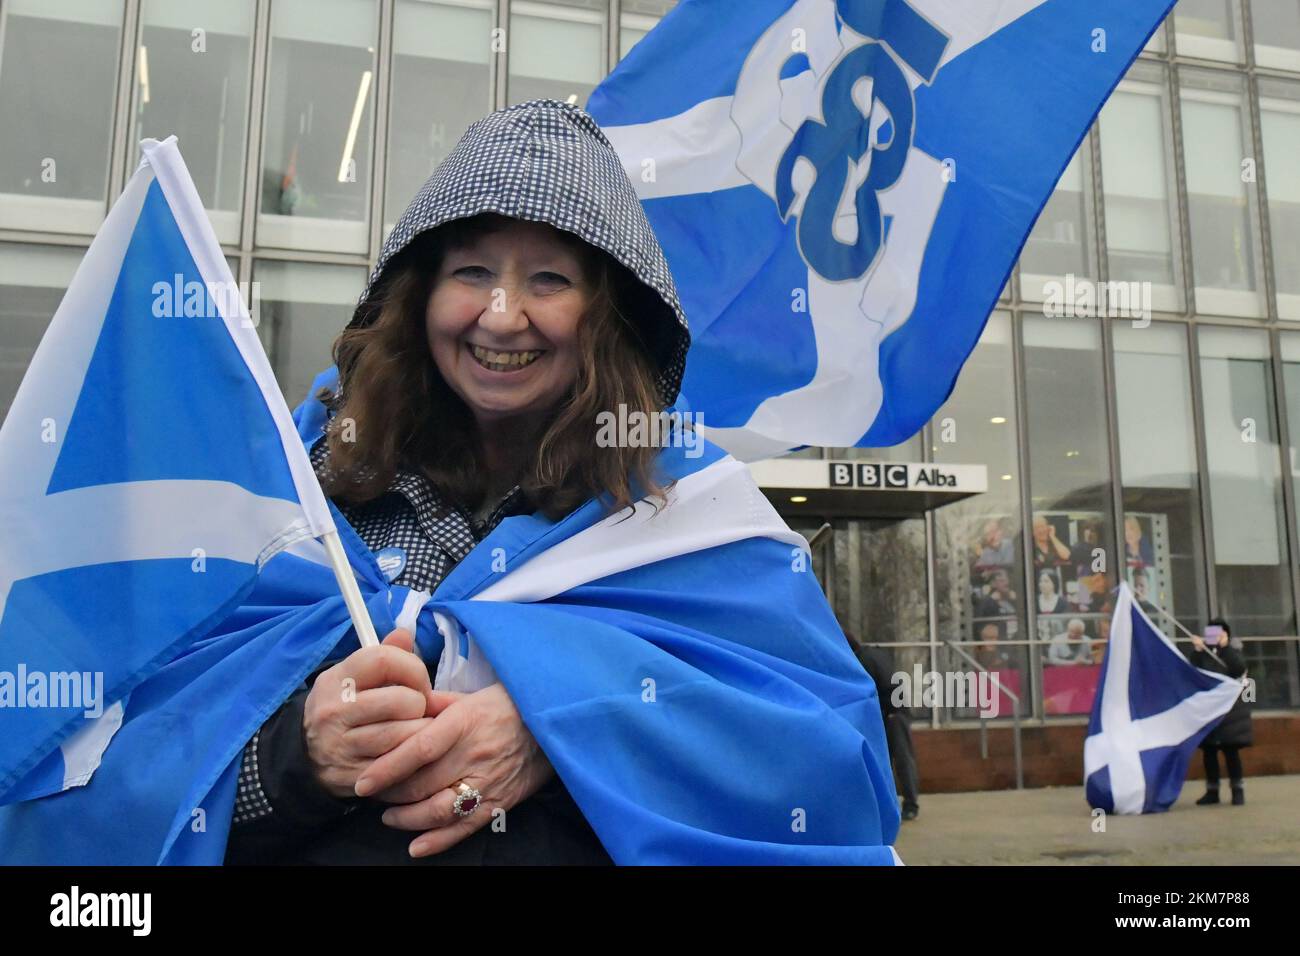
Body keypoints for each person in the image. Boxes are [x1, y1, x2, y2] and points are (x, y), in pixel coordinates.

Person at [213, 100, 898, 864]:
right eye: (471, 272)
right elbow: (129, 762)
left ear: (607, 317)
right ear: (418, 296)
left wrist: (563, 725)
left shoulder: (693, 513)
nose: (503, 318)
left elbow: (832, 767)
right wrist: (296, 759)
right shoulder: (294, 494)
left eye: (549, 280)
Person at [845, 630, 920, 822]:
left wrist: (892, 711)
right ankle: (907, 804)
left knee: (899, 759)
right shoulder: (873, 655)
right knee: (899, 759)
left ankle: (909, 804)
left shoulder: (864, 660)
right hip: (894, 712)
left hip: (892, 714)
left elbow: (878, 690)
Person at [1186, 618, 1252, 806]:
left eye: (1218, 633)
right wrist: (1198, 652)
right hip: (1210, 710)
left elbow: (1238, 668)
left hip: (1231, 712)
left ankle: (1237, 790)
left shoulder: (1233, 652)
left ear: (1226, 634)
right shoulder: (1206, 653)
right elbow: (1196, 672)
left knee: (1231, 752)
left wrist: (1226, 647)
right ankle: (1212, 791)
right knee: (1210, 752)